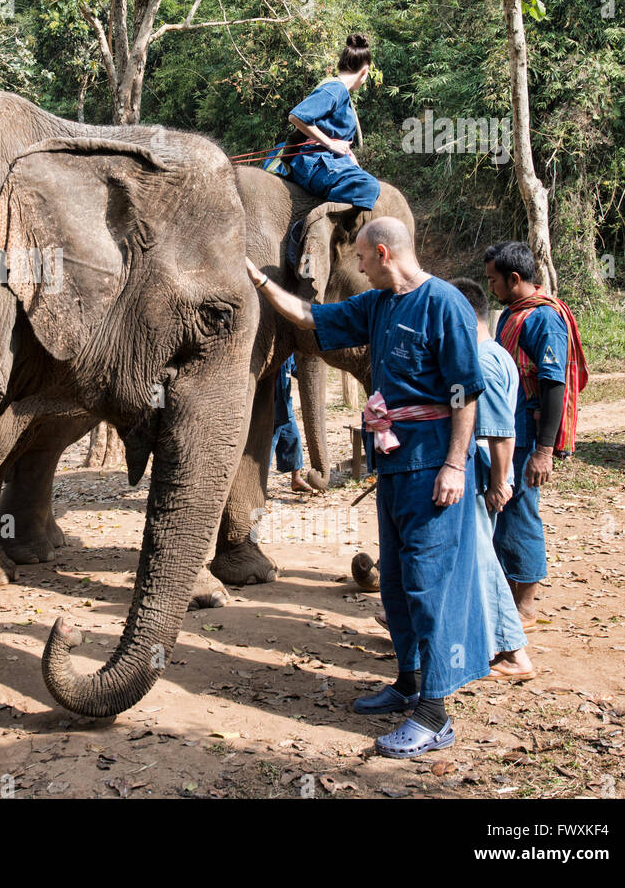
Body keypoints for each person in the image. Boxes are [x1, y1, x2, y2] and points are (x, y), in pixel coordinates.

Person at [248, 216, 488, 759]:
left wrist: (454, 464)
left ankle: (436, 713)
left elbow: (463, 395)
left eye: (360, 257)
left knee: (430, 582)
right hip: (395, 467)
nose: (355, 266)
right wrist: (262, 283)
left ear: (383, 253)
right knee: (399, 581)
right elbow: (310, 316)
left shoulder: (443, 303)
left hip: (432, 467)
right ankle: (409, 682)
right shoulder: (378, 305)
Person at [483, 241, 589, 628]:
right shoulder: (511, 314)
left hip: (527, 426)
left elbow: (553, 385)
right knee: (503, 508)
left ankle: (525, 604)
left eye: (494, 280)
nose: (490, 287)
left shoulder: (544, 319)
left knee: (520, 510)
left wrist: (544, 450)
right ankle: (505, 595)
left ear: (514, 278)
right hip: (507, 423)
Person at [449, 277, 536, 681]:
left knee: (483, 557)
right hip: (487, 467)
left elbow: (500, 431)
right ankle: (481, 641)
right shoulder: (494, 354)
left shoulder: (481, 361)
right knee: (474, 555)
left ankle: (514, 653)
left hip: (484, 469)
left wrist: (501, 481)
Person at [274, 33, 381, 213]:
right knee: (369, 186)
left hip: (328, 163)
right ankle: (316, 221)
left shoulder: (339, 92)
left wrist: (345, 153)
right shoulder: (335, 89)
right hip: (315, 163)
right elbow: (296, 116)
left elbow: (332, 136)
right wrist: (330, 143)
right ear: (364, 71)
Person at [271, 354, 317, 494]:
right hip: (268, 407)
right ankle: (255, 483)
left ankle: (296, 479)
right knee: (266, 447)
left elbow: (298, 370)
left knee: (293, 439)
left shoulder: (288, 354)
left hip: (284, 405)